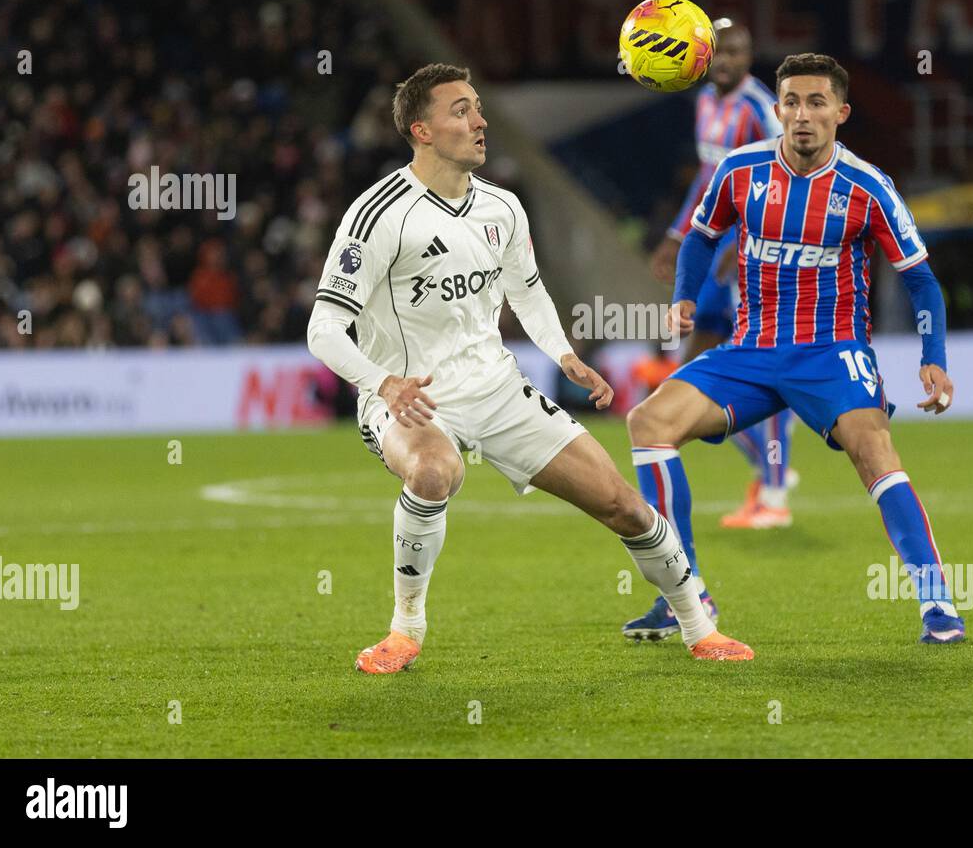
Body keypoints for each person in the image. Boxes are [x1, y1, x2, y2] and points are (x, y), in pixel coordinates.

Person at [306, 63, 754, 671]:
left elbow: (528, 291)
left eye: (479, 107)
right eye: (460, 110)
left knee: (624, 505)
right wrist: (383, 383)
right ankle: (404, 629)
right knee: (434, 474)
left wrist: (565, 355)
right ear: (422, 130)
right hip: (412, 395)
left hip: (497, 388)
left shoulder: (503, 207)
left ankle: (699, 626)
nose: (480, 120)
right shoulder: (380, 215)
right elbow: (324, 328)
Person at [627, 53, 965, 645]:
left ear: (841, 112)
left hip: (830, 351)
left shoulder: (867, 187)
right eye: (792, 103)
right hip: (751, 349)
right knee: (648, 423)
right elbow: (699, 239)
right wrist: (685, 296)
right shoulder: (740, 170)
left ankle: (937, 604)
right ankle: (684, 591)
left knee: (873, 447)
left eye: (816, 103)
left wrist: (932, 356)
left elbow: (921, 280)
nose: (802, 115)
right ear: (777, 108)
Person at [623, 19, 799, 641]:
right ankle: (763, 474)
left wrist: (748, 241)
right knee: (689, 379)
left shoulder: (758, 107)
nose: (727, 58)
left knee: (758, 365)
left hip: (749, 256)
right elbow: (707, 179)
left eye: (738, 50)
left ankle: (774, 486)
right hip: (710, 245)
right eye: (720, 49)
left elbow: (788, 176)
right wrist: (679, 233)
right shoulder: (704, 102)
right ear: (702, 56)